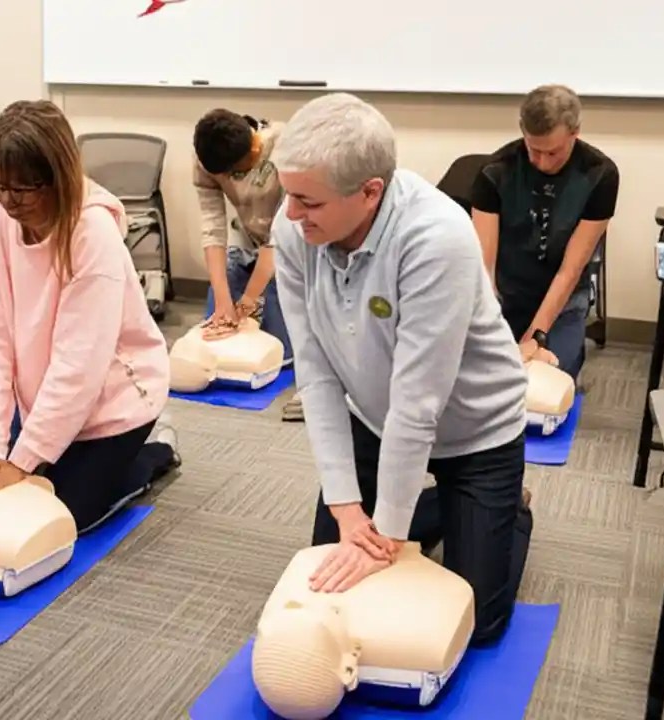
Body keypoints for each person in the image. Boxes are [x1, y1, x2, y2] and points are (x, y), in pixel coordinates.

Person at [270, 93, 532, 644]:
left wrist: (386, 533)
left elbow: (418, 404)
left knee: (474, 624)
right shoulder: (296, 226)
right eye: (289, 195)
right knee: (331, 578)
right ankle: (426, 506)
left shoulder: (437, 238)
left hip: (475, 431)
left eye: (308, 202)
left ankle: (509, 513)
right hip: (373, 419)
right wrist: (345, 505)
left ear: (370, 193)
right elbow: (314, 373)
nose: (292, 215)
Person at [0, 99, 180, 533]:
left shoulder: (92, 235)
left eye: (22, 189)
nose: (8, 200)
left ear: (57, 180)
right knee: (3, 498)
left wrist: (22, 460)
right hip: (46, 397)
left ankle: (155, 448)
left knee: (63, 516)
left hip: (115, 400)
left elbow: (79, 367)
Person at [469, 84, 619, 381]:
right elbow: (483, 269)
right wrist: (492, 329)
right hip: (505, 296)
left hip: (563, 300)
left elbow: (571, 270)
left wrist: (536, 336)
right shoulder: (494, 172)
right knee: (486, 377)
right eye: (533, 150)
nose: (542, 162)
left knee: (548, 380)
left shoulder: (600, 174)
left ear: (574, 133)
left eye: (553, 152)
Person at [192, 109, 300, 421]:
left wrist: (250, 300)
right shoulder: (205, 159)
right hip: (252, 242)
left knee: (285, 353)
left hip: (295, 248)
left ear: (254, 151)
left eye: (237, 174)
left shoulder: (285, 148)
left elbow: (280, 237)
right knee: (222, 298)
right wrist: (224, 301)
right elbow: (212, 228)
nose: (231, 181)